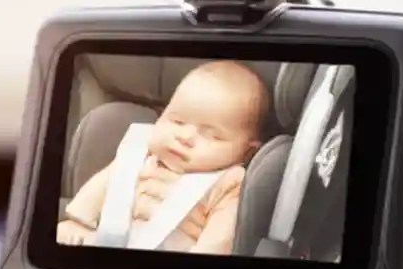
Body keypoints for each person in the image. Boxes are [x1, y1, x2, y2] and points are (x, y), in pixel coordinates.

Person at [57, 60, 269, 256]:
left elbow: (221, 236)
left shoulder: (229, 182)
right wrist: (79, 223)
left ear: (246, 152)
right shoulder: (139, 152)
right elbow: (100, 188)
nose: (184, 137)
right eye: (176, 121)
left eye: (211, 135)